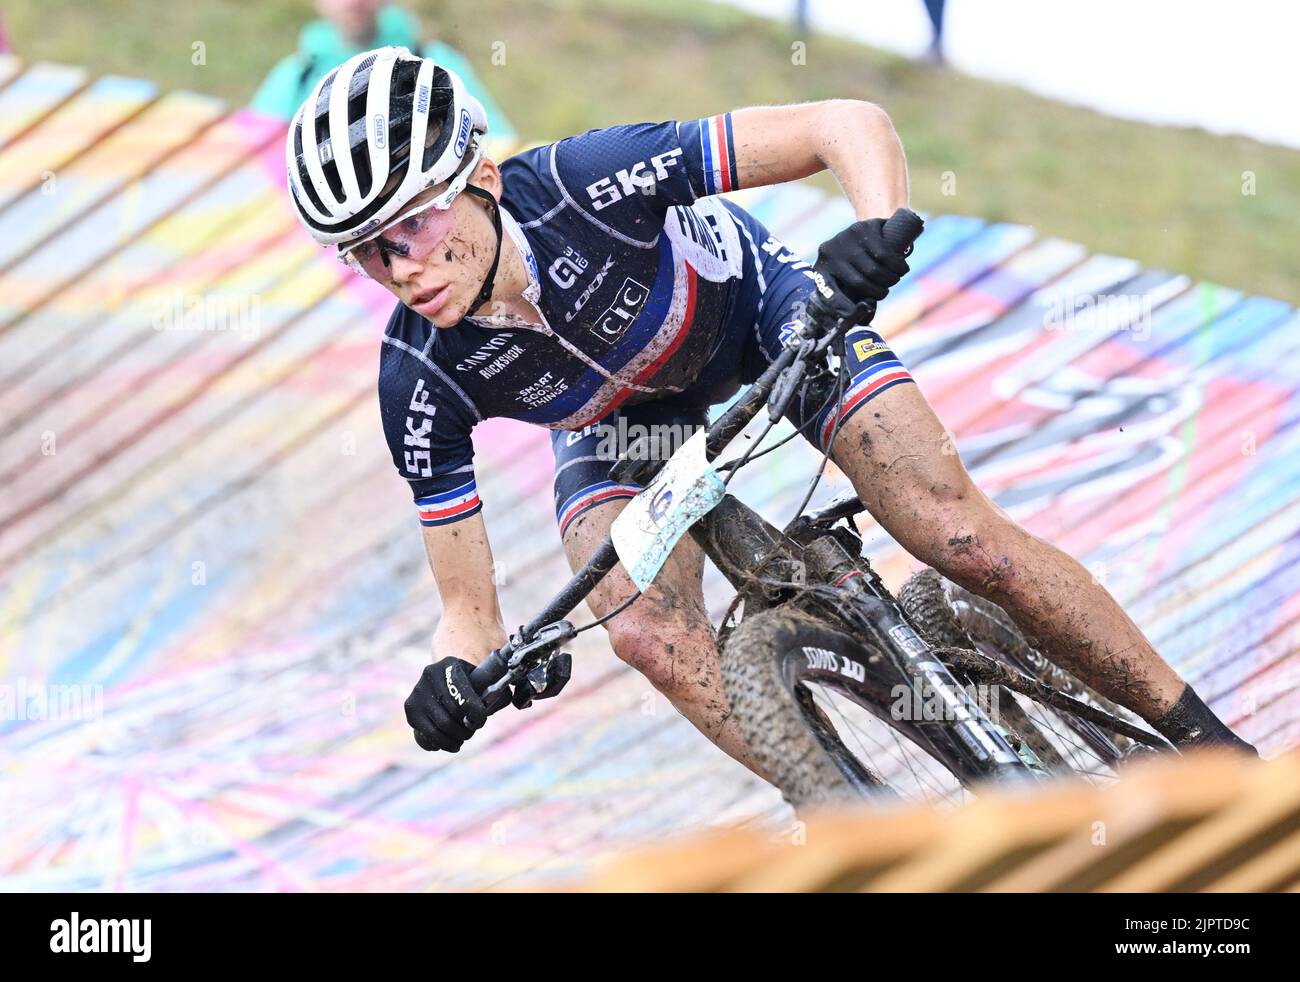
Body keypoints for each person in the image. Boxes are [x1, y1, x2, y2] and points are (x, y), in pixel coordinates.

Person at [284, 46, 1257, 772]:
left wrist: (875, 227)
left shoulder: (589, 180)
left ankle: (1209, 748)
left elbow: (845, 121)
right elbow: (471, 612)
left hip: (758, 319)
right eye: (364, 250)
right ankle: (846, 814)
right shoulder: (418, 374)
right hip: (622, 430)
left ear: (480, 179)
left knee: (953, 533)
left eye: (410, 223)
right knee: (639, 632)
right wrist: (453, 678)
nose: (398, 267)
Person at [252, 1, 515, 146]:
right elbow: (251, 158)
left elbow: (495, 141)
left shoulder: (434, 62)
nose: (353, 2)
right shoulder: (295, 77)